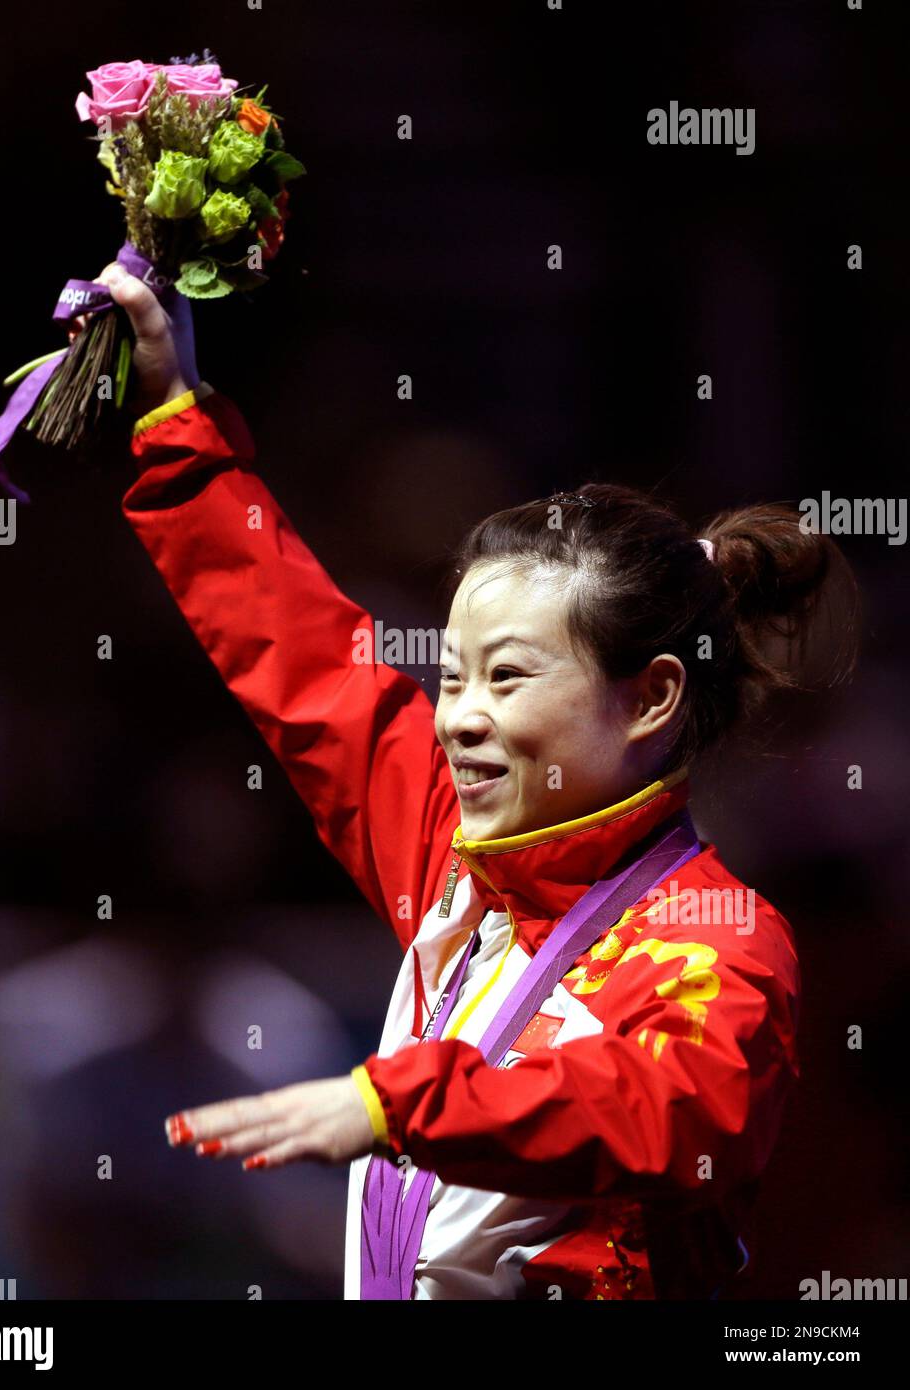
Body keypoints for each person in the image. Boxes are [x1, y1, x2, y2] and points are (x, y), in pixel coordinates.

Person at [71, 261, 857, 1300]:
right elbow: (306, 662)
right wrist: (177, 416)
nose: (461, 713)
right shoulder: (455, 856)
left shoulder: (715, 934)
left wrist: (402, 1106)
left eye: (508, 676)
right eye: (451, 676)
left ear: (654, 698)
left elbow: (675, 1109)